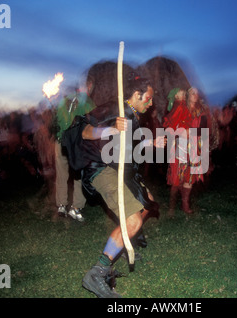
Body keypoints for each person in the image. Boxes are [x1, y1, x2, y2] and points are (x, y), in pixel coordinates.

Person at [79, 71, 161, 298]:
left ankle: (123, 243)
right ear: (136, 95)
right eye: (148, 98)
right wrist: (110, 128)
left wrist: (151, 141)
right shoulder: (112, 109)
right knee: (132, 219)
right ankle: (97, 273)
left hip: (123, 171)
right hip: (102, 169)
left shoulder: (133, 114)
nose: (151, 103)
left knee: (148, 203)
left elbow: (132, 140)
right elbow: (84, 132)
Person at [163, 87, 214, 216]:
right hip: (179, 146)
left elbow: (203, 130)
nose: (195, 95)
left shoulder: (201, 111)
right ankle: (172, 206)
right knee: (176, 177)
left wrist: (187, 132)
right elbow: (170, 123)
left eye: (197, 92)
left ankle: (185, 204)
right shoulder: (180, 108)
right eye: (192, 92)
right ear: (187, 95)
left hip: (193, 147)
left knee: (190, 177)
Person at [54, 89, 96, 221]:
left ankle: (63, 206)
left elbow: (56, 119)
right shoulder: (85, 99)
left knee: (65, 173)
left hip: (63, 140)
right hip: (75, 142)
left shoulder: (62, 98)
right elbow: (93, 119)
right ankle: (75, 208)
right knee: (79, 173)